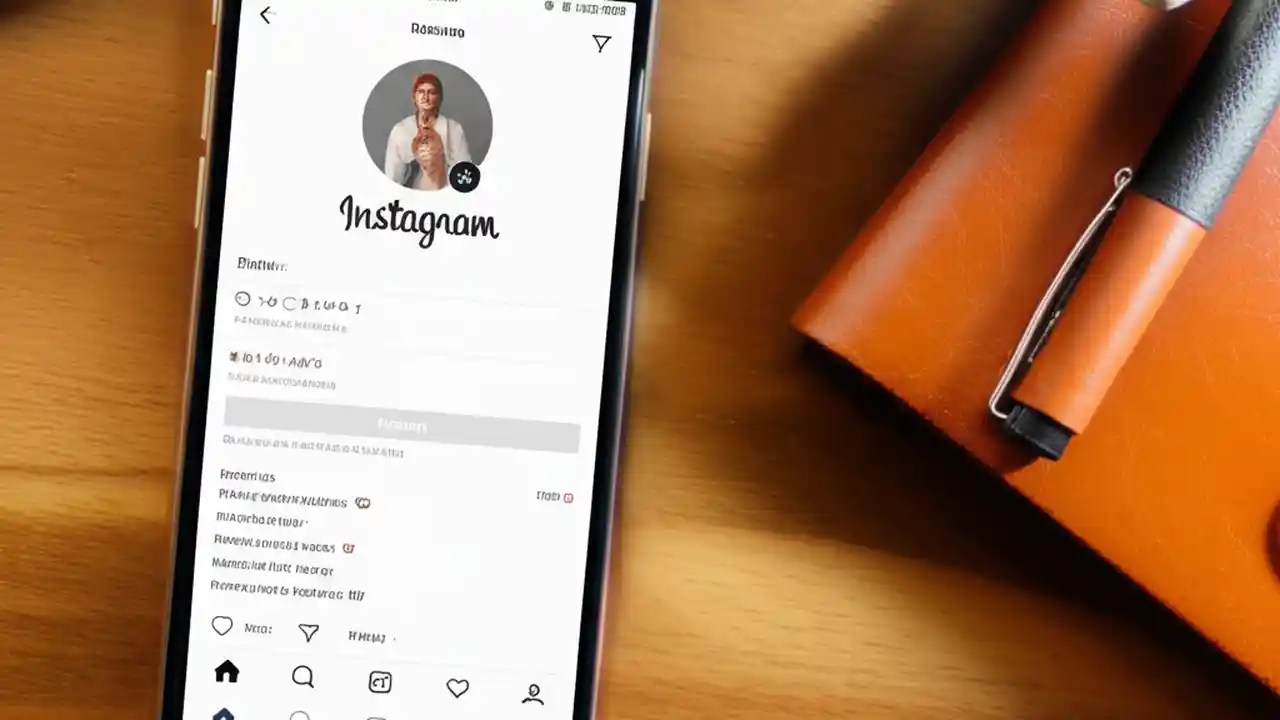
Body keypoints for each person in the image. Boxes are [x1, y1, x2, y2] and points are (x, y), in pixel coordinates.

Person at [384, 73, 471, 189]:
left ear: (440, 97)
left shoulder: (454, 129)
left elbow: (465, 174)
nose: (426, 97)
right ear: (414, 97)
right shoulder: (400, 131)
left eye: (432, 92)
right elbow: (393, 178)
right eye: (421, 92)